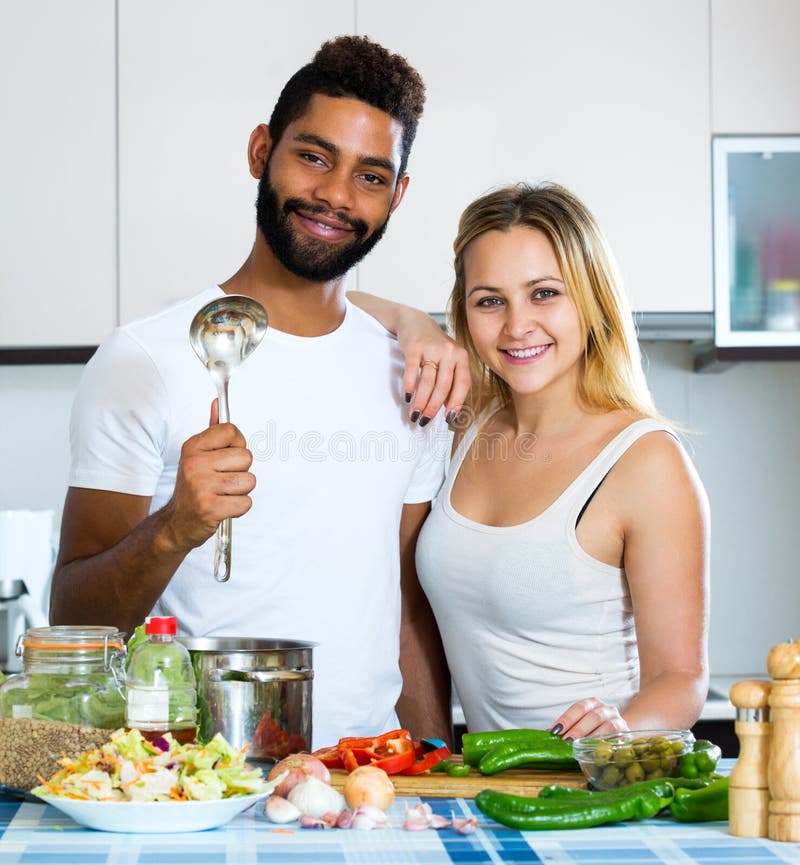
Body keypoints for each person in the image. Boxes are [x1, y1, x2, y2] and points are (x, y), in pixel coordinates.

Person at [49, 35, 468, 748]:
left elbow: (406, 608)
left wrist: (434, 766)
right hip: (196, 786)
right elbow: (74, 624)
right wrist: (175, 527)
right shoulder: (145, 359)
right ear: (259, 152)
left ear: (396, 196)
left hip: (364, 783)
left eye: (370, 176)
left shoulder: (414, 375)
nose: (336, 195)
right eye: (314, 156)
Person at [415, 182, 710, 740]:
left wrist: (618, 730)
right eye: (490, 300)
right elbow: (342, 303)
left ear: (591, 297)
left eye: (544, 293)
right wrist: (415, 326)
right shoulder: (462, 428)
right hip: (493, 791)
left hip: (603, 793)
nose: (517, 325)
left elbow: (682, 678)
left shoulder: (645, 460)